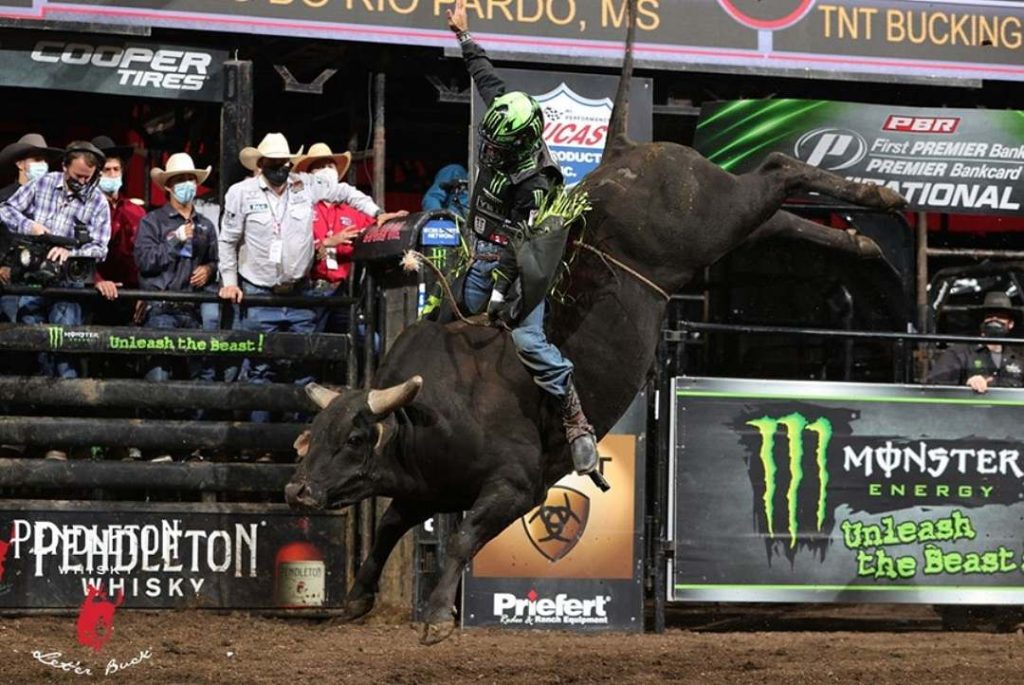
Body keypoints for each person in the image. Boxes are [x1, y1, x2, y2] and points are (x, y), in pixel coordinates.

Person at [446, 0, 598, 475]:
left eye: (497, 145)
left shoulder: (536, 182)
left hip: (521, 263)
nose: (489, 148)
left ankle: (575, 419)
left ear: (521, 142)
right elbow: (488, 79)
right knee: (446, 309)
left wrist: (497, 294)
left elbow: (523, 246)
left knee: (528, 339)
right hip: (485, 245)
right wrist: (465, 36)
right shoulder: (508, 116)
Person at [218, 133, 405, 426]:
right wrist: (229, 281)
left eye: (285, 163)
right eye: (276, 163)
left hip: (298, 290)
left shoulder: (304, 185)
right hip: (258, 290)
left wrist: (377, 213)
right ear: (262, 164)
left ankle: (297, 437)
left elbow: (345, 192)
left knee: (303, 366)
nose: (282, 168)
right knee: (259, 368)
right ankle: (256, 439)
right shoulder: (241, 193)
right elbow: (227, 240)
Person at [0, 140, 111, 380]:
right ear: (64, 166)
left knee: (64, 348)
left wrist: (71, 252)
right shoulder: (43, 183)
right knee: (33, 346)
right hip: (33, 279)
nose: (82, 182)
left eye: (87, 177)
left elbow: (101, 248)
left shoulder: (99, 201)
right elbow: (6, 209)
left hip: (68, 286)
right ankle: (38, 406)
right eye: (77, 176)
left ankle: (66, 407)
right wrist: (30, 226)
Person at [134, 152, 218, 383]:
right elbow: (145, 261)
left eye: (191, 179)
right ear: (169, 186)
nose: (187, 185)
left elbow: (215, 260)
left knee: (201, 376)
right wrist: (175, 240)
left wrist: (208, 270)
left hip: (193, 309)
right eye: (181, 180)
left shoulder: (205, 225)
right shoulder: (152, 222)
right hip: (161, 307)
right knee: (159, 375)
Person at [293, 142, 374, 332]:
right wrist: (328, 243)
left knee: (367, 341)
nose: (326, 170)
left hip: (341, 290)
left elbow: (374, 228)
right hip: (308, 289)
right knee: (309, 342)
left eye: (330, 166)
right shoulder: (301, 207)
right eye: (320, 167)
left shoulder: (353, 210)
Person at [926, 292, 1024, 393]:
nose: (994, 318)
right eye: (990, 314)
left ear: (1010, 324)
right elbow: (933, 387)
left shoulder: (1020, 357)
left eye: (1001, 315)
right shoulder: (959, 353)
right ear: (982, 320)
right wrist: (966, 385)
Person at [91, 135, 144, 313]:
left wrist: (145, 294)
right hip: (92, 293)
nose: (112, 175)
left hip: (130, 295)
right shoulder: (84, 209)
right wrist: (97, 280)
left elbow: (144, 257)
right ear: (95, 173)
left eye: (116, 169)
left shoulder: (136, 211)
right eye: (107, 170)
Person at [0, 133, 62, 203]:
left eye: (46, 161)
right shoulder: (5, 198)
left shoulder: (54, 197)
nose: (44, 164)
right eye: (37, 159)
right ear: (20, 164)